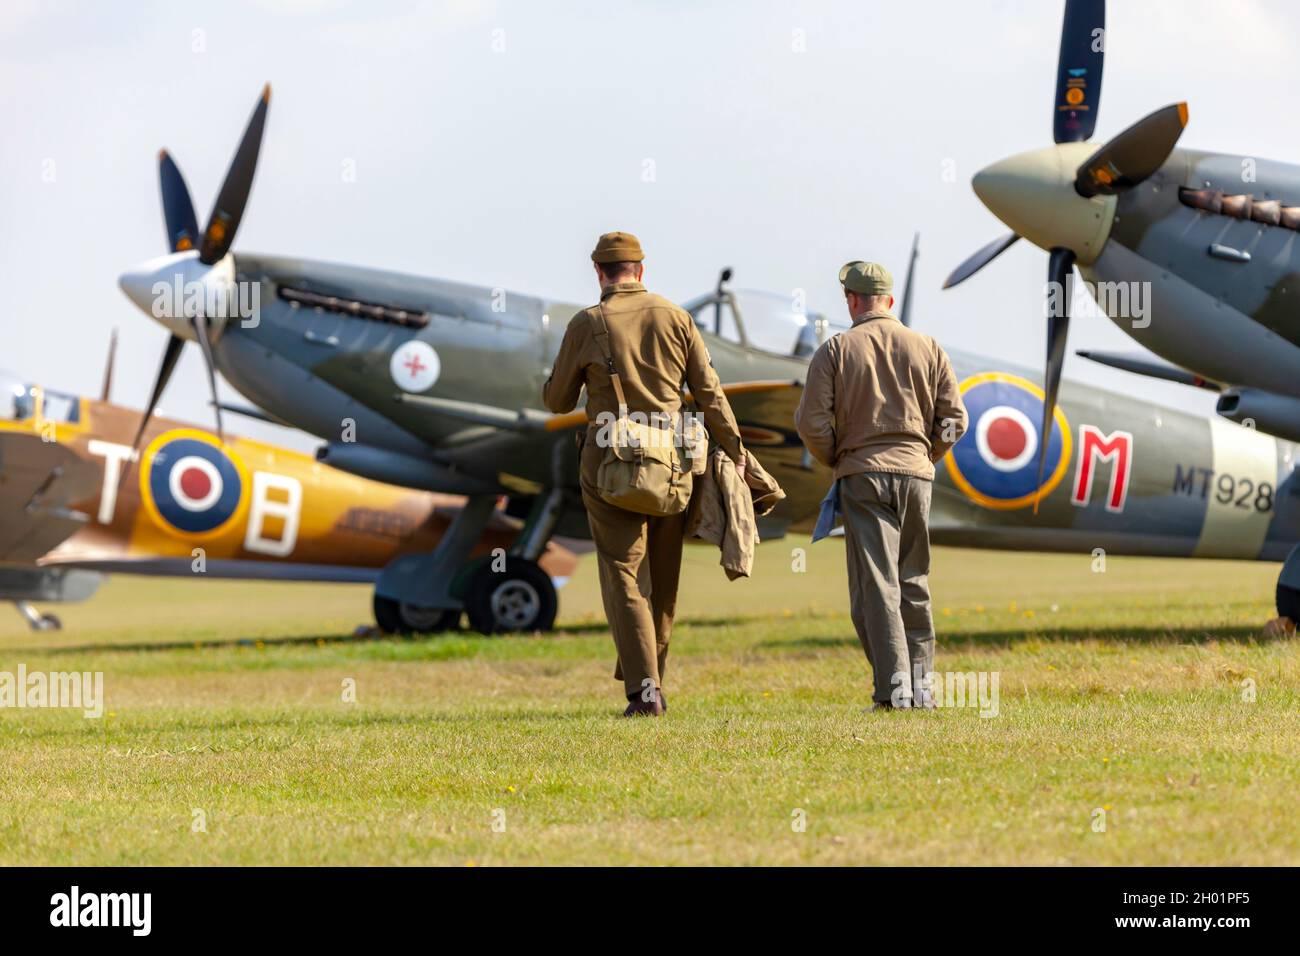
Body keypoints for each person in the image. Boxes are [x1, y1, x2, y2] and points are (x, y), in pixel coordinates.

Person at [543, 231, 746, 716]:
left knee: (624, 573)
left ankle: (644, 693)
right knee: (664, 577)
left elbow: (556, 402)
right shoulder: (678, 317)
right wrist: (736, 450)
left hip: (611, 460)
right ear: (641, 269)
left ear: (598, 272)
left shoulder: (587, 322)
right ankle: (654, 677)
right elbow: (710, 393)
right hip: (676, 459)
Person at [795, 261, 967, 711]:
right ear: (889, 301)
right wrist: (924, 456)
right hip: (917, 477)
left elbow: (811, 423)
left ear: (852, 300)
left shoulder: (835, 350)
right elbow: (955, 421)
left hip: (862, 475)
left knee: (877, 588)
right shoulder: (928, 346)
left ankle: (894, 694)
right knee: (914, 581)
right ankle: (923, 689)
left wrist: (839, 458)